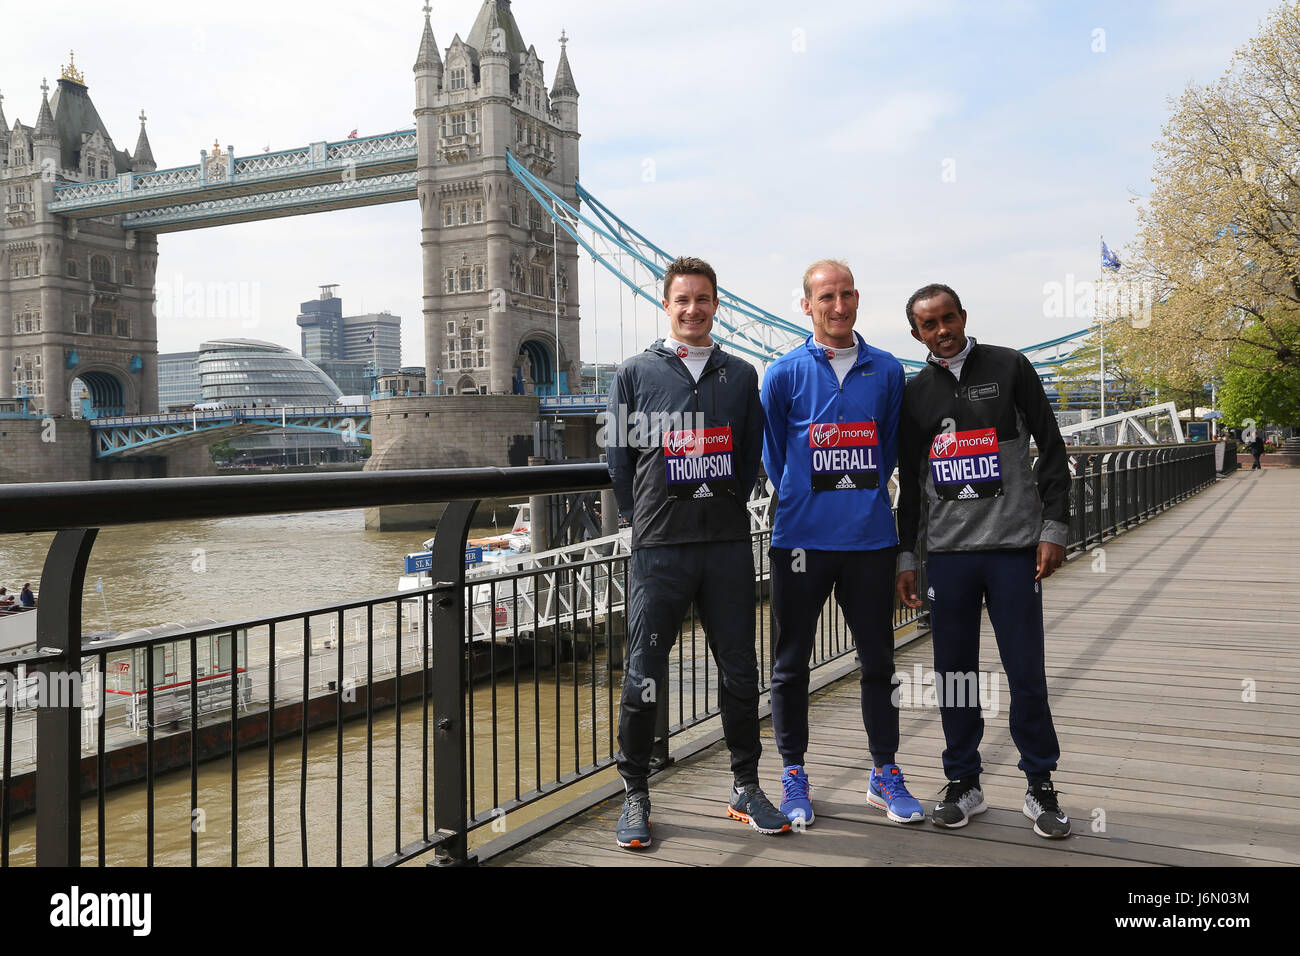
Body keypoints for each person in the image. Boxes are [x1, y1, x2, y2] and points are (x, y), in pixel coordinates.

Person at [604, 255, 790, 849]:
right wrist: (644, 514)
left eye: (703, 299)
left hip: (728, 546)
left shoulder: (742, 374)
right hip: (660, 547)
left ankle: (745, 786)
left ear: (717, 304)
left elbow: (748, 454)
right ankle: (635, 793)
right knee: (643, 676)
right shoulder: (634, 373)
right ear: (667, 305)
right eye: (682, 300)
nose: (693, 310)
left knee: (740, 671)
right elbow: (619, 463)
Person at [895, 283, 1072, 839]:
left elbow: (1052, 446)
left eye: (949, 318)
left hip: (1013, 550)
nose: (942, 330)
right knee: (954, 677)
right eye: (930, 324)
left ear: (963, 317)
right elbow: (911, 486)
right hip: (947, 558)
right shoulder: (914, 393)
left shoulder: (1011, 366)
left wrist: (1054, 529)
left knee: (1026, 672)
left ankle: (1040, 785)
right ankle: (963, 781)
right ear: (916, 334)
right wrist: (907, 555)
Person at [760, 259, 922, 826]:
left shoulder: (889, 371)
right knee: (790, 666)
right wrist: (809, 495)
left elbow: (895, 450)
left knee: (879, 662)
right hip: (800, 541)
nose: (838, 305)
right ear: (807, 305)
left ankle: (884, 773)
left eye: (847, 295)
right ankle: (794, 774)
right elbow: (775, 456)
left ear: (858, 299)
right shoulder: (781, 374)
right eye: (825, 296)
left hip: (871, 541)